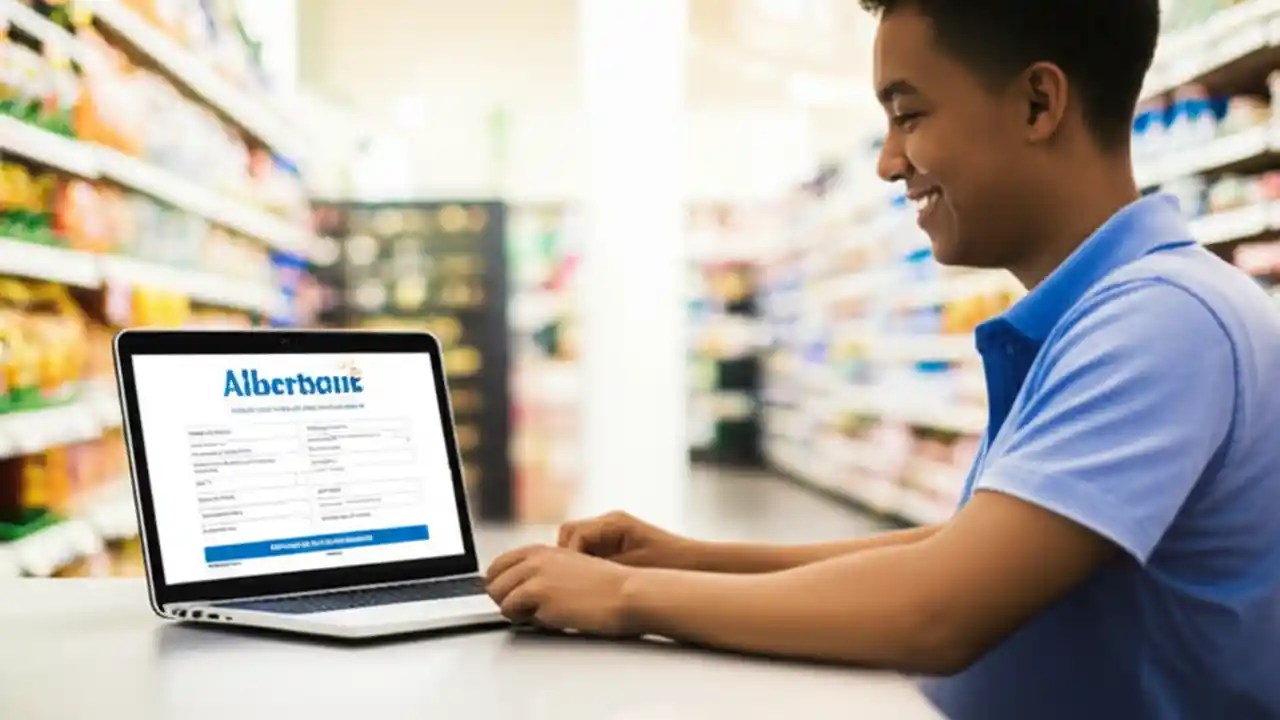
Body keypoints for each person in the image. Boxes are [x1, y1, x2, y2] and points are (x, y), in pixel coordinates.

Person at [485, 1, 1280, 717]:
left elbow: (936, 609)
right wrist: (695, 559)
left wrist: (626, 596)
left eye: (909, 115)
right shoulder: (1117, 308)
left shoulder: (1162, 320)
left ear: (1040, 103)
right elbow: (964, 549)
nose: (889, 161)